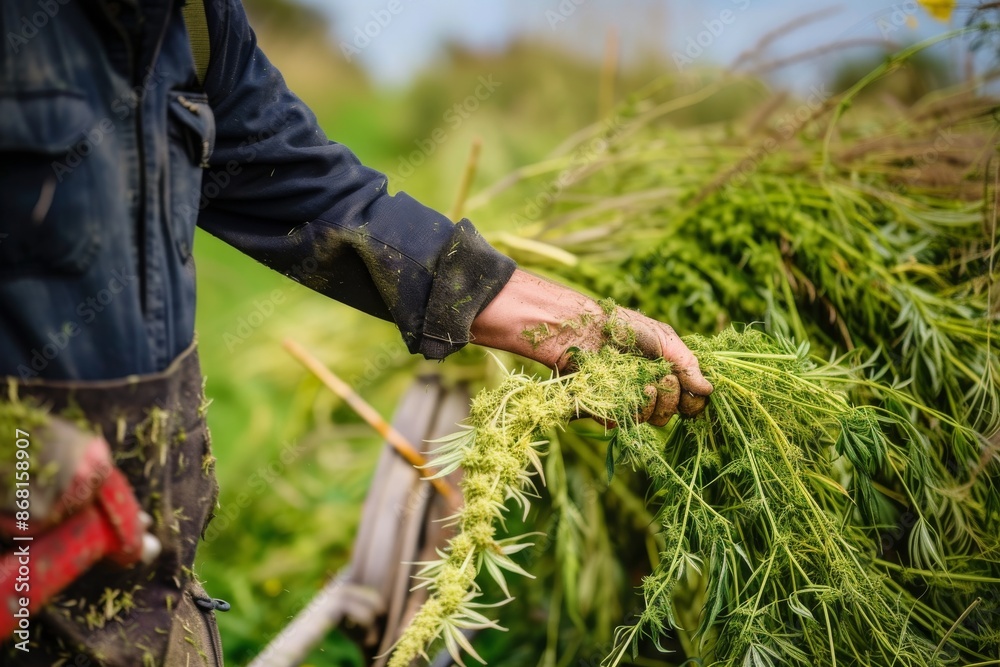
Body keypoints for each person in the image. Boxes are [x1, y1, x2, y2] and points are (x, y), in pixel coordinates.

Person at [0, 0, 712, 664]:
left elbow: (316, 190)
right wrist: (16, 452)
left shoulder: (191, 19)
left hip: (141, 597)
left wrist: (569, 326)